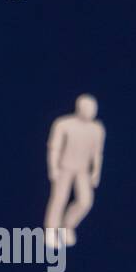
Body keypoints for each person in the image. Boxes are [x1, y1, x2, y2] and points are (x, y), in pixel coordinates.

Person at [44, 94, 105, 249]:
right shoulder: (63, 124)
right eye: (88, 108)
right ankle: (50, 232)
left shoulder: (97, 129)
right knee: (59, 199)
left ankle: (67, 226)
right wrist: (53, 167)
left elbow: (97, 152)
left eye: (94, 108)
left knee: (85, 201)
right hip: (65, 168)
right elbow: (54, 147)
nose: (92, 111)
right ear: (80, 108)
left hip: (82, 170)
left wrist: (96, 171)